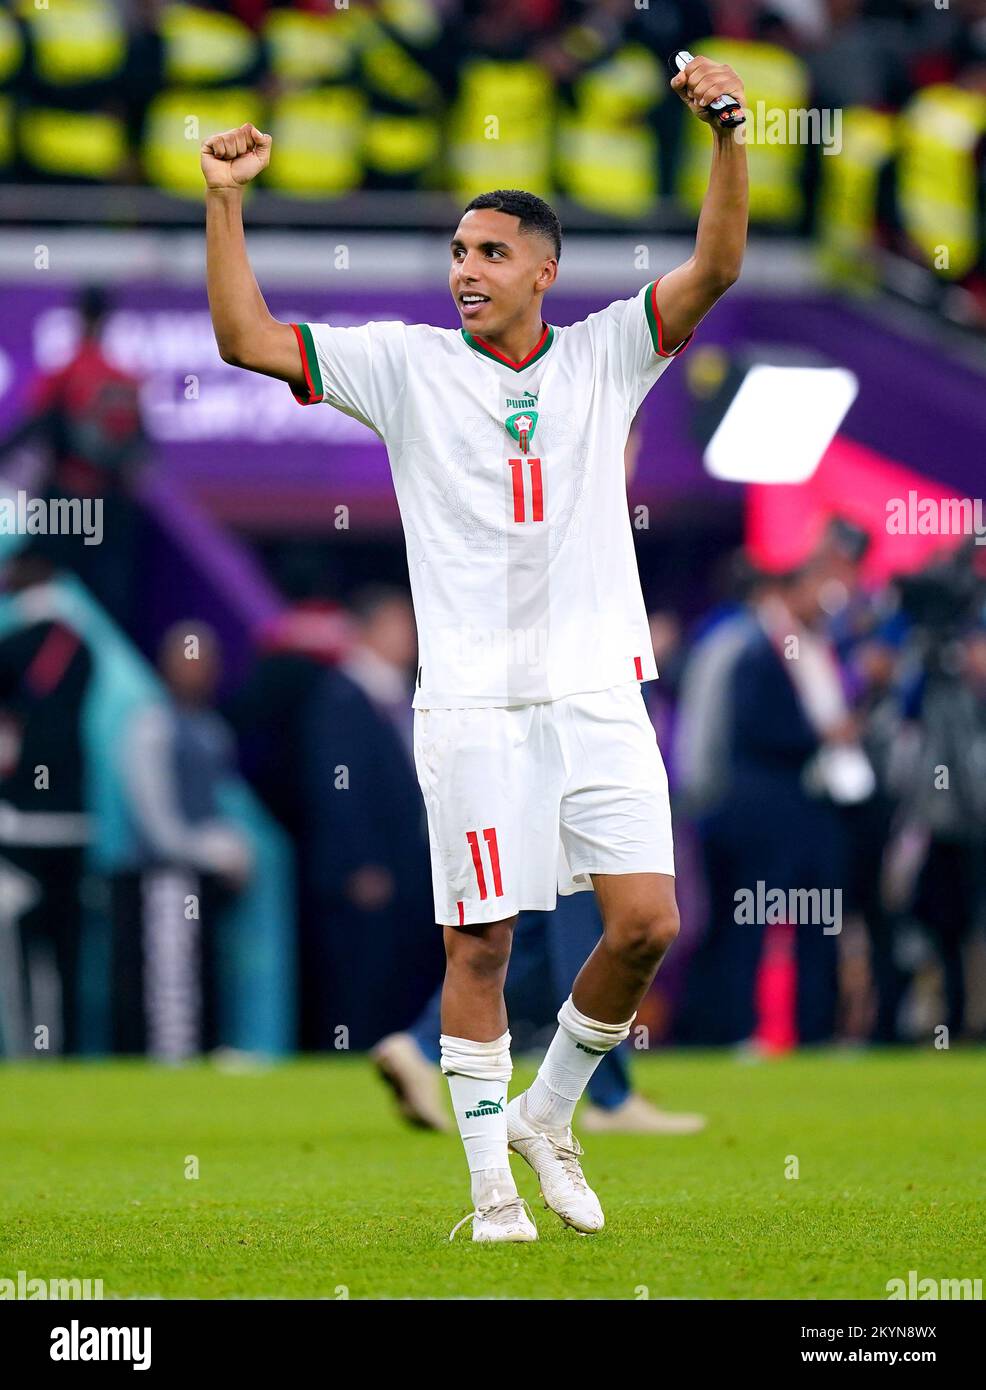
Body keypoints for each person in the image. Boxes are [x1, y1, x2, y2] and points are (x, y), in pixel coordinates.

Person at [200, 51, 748, 1242]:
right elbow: (244, 336)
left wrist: (725, 135)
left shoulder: (608, 351)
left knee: (646, 923)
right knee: (482, 942)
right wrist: (225, 197)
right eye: (455, 252)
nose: (465, 271)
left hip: (598, 689)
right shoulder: (402, 366)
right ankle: (489, 1188)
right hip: (472, 706)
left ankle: (551, 1114)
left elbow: (713, 268)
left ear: (543, 271)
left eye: (490, 253)